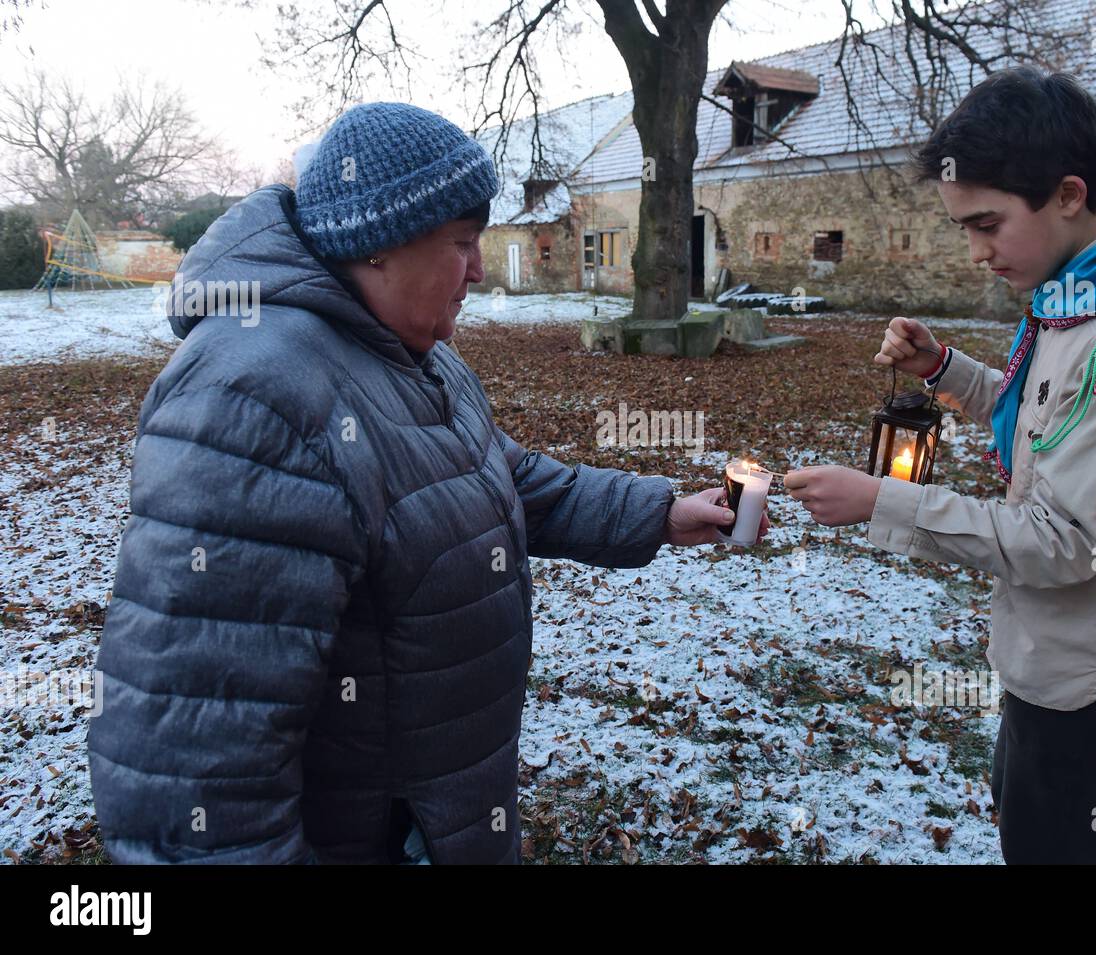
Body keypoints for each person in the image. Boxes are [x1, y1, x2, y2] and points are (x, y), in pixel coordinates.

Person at [88, 102, 763, 865]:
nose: (479, 269)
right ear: (378, 245)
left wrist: (658, 513)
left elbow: (494, 476)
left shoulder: (415, 354)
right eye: (463, 244)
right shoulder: (253, 397)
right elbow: (191, 750)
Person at [784, 68, 1096, 864]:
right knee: (1024, 806)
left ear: (1066, 193)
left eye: (987, 224)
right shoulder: (1089, 291)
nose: (976, 253)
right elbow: (1048, 422)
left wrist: (883, 501)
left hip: (1093, 663)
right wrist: (944, 369)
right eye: (963, 227)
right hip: (1058, 647)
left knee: (1052, 845)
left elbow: (1061, 539)